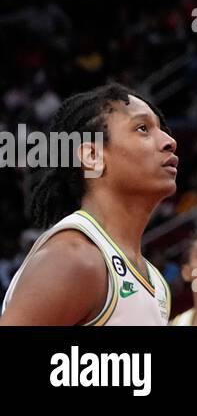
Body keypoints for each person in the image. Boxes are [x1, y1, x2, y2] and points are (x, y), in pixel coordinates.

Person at [1, 83, 176, 325]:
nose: (169, 141)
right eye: (143, 128)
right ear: (92, 157)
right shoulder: (74, 258)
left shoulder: (155, 281)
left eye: (161, 128)